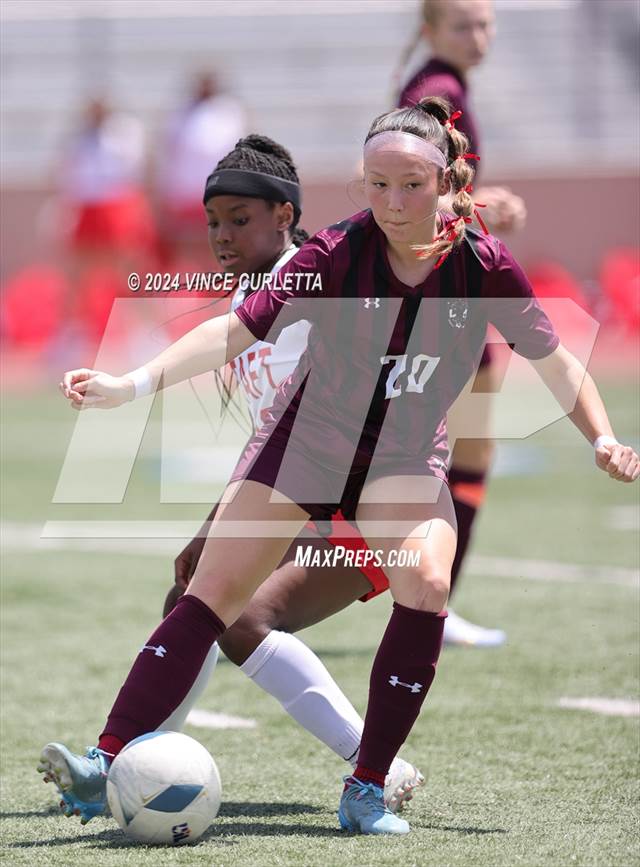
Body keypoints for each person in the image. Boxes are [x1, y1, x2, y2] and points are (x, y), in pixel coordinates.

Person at [48, 97, 639, 836]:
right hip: (309, 446)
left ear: (447, 181)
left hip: (402, 462)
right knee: (208, 593)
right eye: (377, 185)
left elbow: (556, 361)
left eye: (411, 186)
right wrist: (129, 386)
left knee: (425, 579)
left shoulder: (484, 265)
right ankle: (104, 760)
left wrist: (602, 437)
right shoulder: (335, 252)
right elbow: (234, 331)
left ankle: (366, 787)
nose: (391, 203)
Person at [39, 133, 425, 826]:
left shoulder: (319, 281)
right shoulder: (259, 291)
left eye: (238, 219)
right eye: (214, 221)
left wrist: (128, 386)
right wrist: (213, 523)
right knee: (190, 595)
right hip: (310, 491)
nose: (220, 234)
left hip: (375, 501)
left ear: (285, 216)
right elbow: (271, 432)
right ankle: (125, 768)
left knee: (241, 614)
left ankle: (377, 767)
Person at [395, 0, 527, 646]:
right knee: (433, 451)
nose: (479, 37)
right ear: (429, 31)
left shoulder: (444, 86)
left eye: (486, 24)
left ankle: (435, 603)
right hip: (439, 289)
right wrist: (477, 202)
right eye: (463, 26)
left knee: (469, 449)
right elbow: (403, 180)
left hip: (447, 285)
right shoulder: (437, 91)